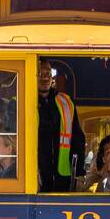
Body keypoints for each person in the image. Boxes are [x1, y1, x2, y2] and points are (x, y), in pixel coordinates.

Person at [37, 61, 85, 192]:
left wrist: (79, 173)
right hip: (35, 175)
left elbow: (78, 139)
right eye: (40, 73)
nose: (45, 77)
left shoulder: (66, 102)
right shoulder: (23, 101)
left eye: (48, 73)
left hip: (63, 175)